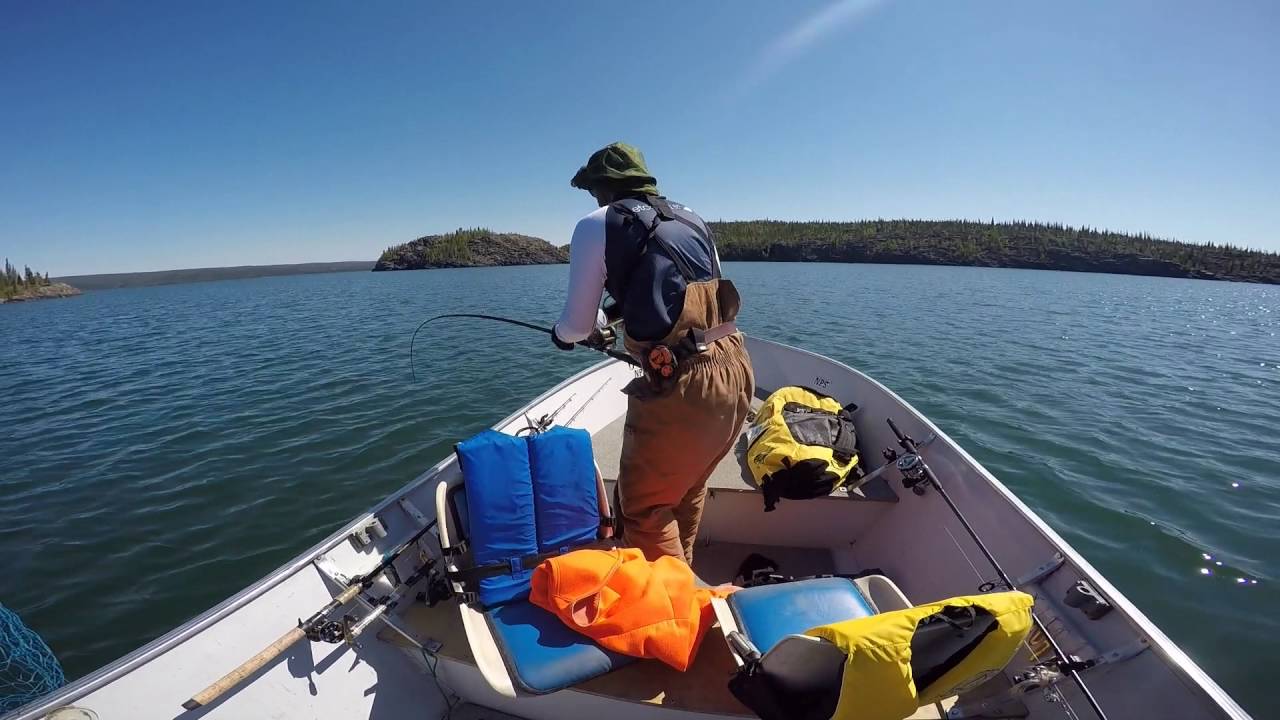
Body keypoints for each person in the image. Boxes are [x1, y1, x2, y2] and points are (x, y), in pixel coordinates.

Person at [552, 142, 754, 564]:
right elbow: (676, 295)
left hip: (685, 385)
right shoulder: (690, 217)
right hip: (735, 367)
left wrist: (563, 335)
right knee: (687, 490)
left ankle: (671, 613)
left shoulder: (597, 224)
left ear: (603, 188)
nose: (594, 199)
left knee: (643, 508)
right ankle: (682, 584)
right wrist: (614, 313)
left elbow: (576, 326)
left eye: (593, 191)